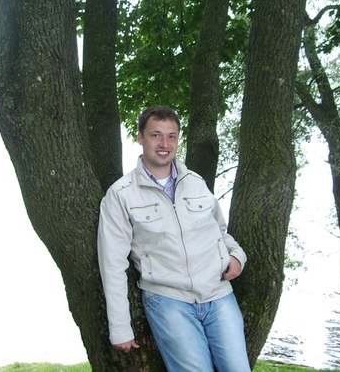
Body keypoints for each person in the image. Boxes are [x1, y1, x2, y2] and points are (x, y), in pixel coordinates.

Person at [97, 105, 250, 372]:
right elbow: (112, 264)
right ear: (140, 137)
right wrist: (120, 327)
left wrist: (237, 256)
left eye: (172, 136)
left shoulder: (196, 182)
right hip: (168, 300)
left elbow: (219, 231)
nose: (164, 144)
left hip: (218, 293)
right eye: (155, 135)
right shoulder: (121, 194)